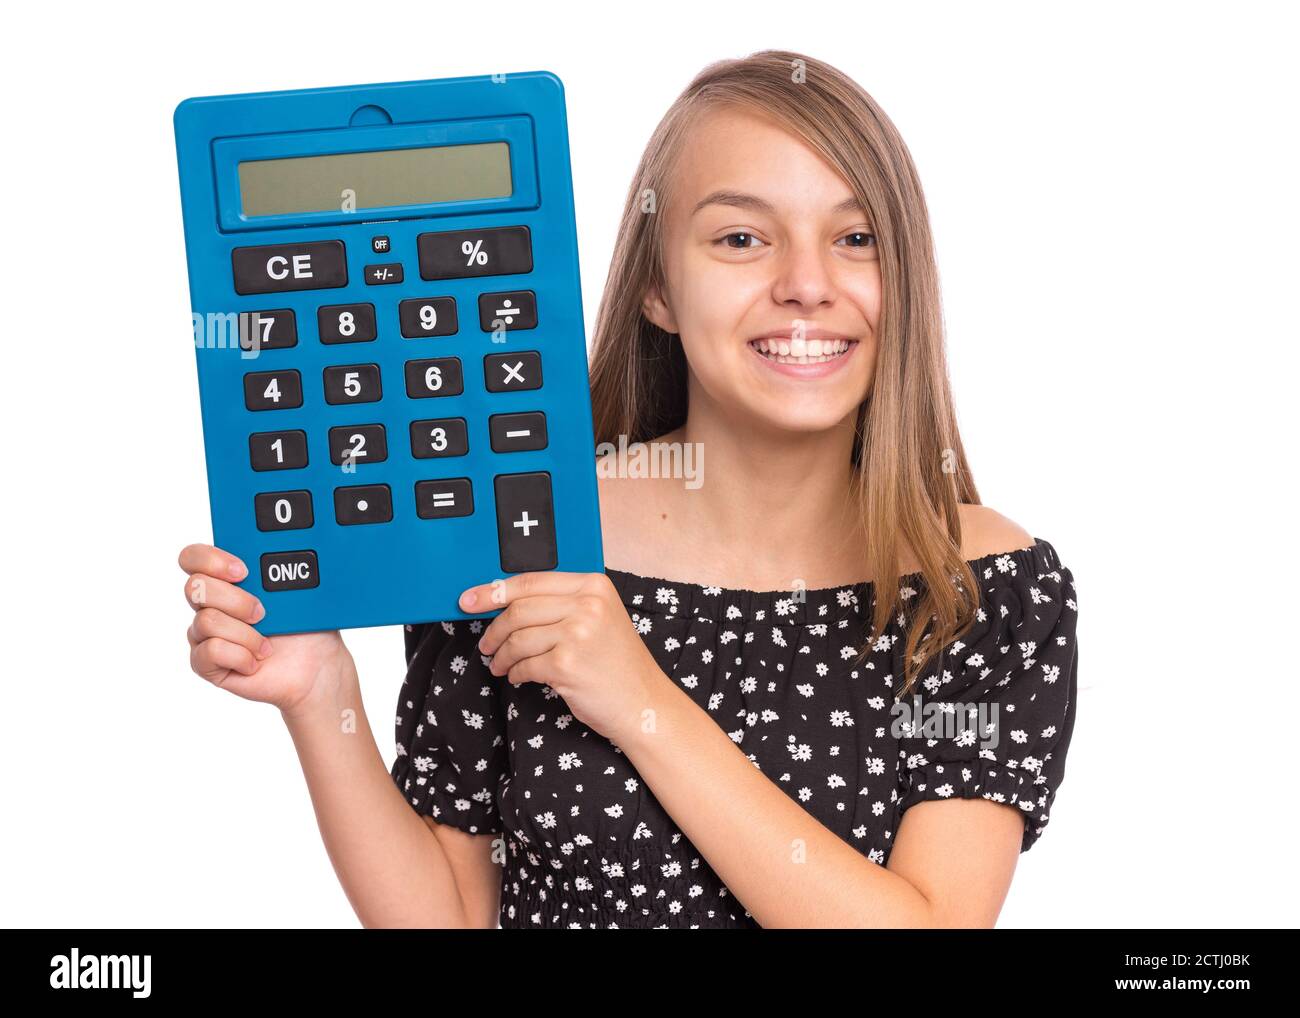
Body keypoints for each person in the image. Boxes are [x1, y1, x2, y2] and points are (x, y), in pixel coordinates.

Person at [179, 49, 1079, 929]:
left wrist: (639, 701)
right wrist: (318, 692)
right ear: (656, 286)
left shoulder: (988, 594)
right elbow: (450, 915)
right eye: (740, 239)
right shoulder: (521, 546)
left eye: (855, 240)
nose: (807, 286)